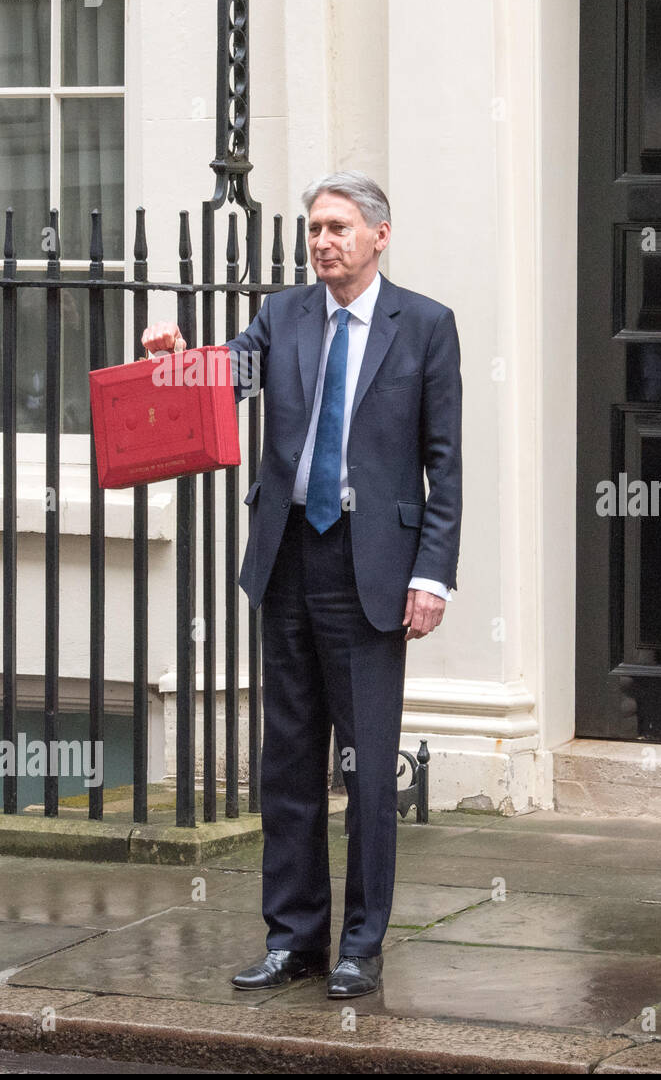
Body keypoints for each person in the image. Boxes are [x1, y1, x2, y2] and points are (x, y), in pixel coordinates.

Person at [141, 172, 462, 998]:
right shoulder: (283, 316)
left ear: (380, 235)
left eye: (338, 227)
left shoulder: (425, 326)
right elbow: (230, 377)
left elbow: (444, 463)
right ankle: (294, 937)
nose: (322, 241)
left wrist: (432, 573)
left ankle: (362, 942)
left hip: (372, 570)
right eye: (314, 228)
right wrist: (180, 366)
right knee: (285, 763)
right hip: (287, 561)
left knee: (366, 769)